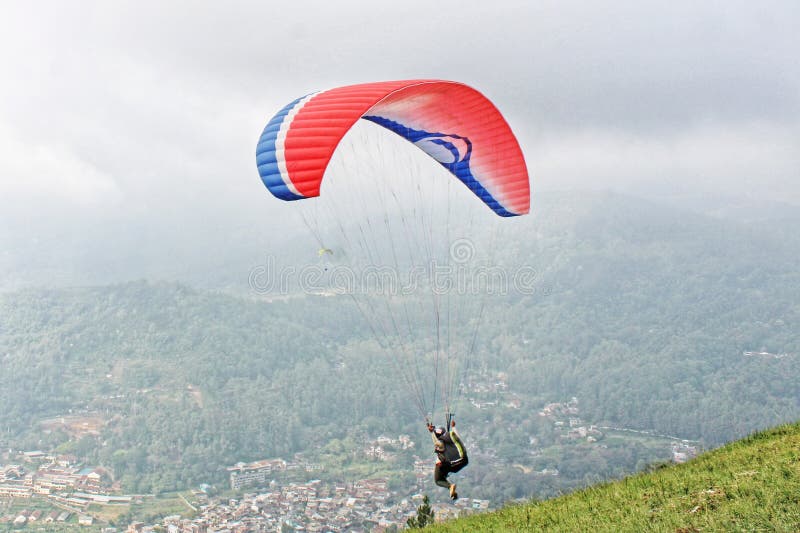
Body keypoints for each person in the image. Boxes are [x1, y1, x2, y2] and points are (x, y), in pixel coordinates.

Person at [427, 420, 469, 500]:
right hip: (458, 464)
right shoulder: (451, 438)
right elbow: (457, 437)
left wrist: (432, 432)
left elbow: (436, 442)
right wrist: (453, 427)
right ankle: (451, 491)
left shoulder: (441, 443)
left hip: (445, 465)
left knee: (438, 480)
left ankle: (450, 486)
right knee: (444, 474)